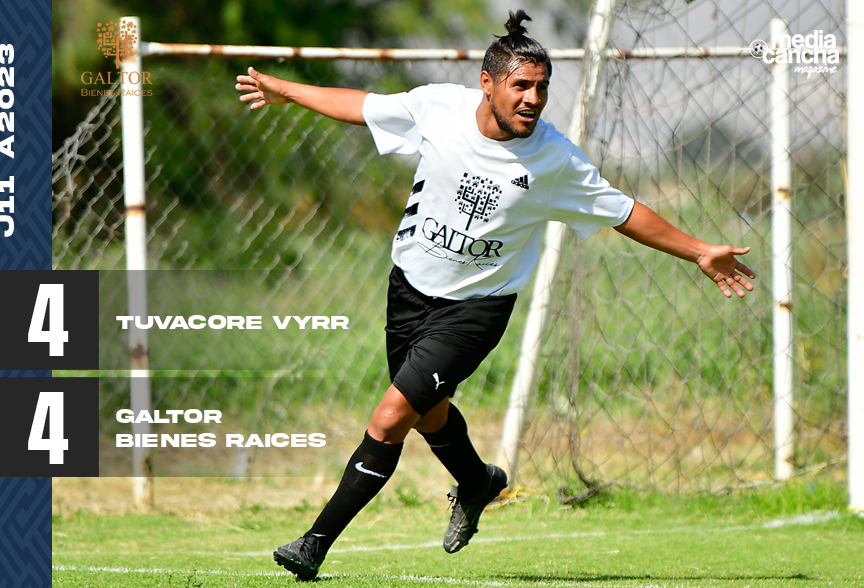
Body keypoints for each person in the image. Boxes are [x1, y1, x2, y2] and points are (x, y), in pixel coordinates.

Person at [235, 9, 755, 581]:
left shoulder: (554, 159)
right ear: (488, 84)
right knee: (428, 416)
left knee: (389, 418)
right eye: (521, 86)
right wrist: (284, 89)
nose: (533, 99)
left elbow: (626, 212)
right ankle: (478, 481)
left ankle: (313, 545)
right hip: (408, 290)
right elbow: (360, 106)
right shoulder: (439, 108)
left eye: (542, 88)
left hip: (475, 310)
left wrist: (699, 250)